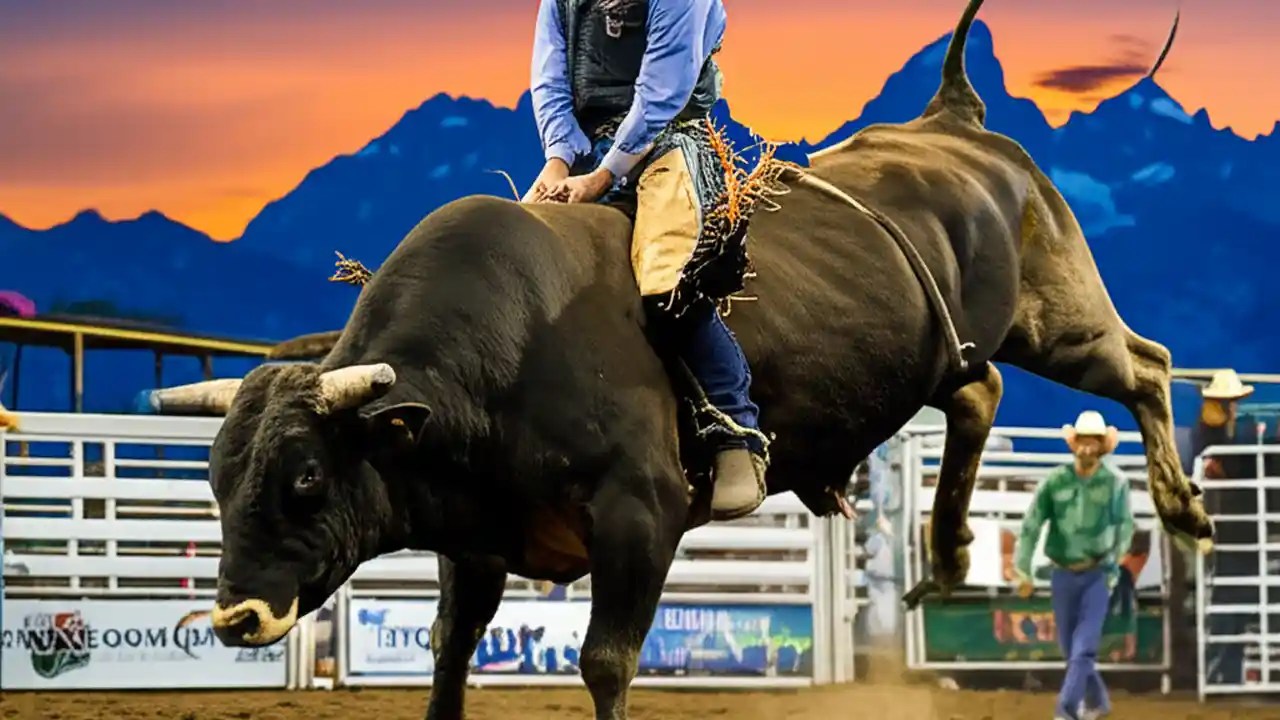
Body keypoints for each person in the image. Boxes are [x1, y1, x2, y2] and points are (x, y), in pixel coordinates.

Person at [524, 0, 769, 519]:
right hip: (584, 151)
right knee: (519, 268)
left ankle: (736, 434)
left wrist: (601, 178)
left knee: (666, 282)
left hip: (670, 141)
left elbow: (663, 92)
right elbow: (550, 79)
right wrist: (558, 160)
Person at [1013, 410, 1134, 720]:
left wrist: (1113, 567)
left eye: (1094, 442)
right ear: (1074, 443)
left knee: (1083, 649)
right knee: (1072, 650)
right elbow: (1032, 524)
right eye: (1083, 441)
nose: (1087, 448)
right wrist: (1022, 568)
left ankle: (1066, 712)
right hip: (1063, 573)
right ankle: (1099, 702)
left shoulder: (1114, 483)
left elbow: (1125, 526)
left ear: (1102, 446)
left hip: (1097, 573)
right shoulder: (1055, 482)